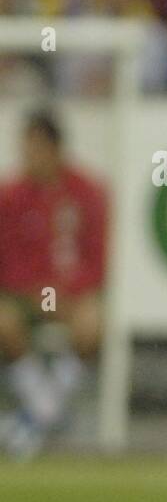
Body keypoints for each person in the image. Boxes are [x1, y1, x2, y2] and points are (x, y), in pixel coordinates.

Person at [0, 112, 107, 458]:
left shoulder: (87, 192)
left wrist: (67, 289)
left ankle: (35, 416)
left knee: (92, 325)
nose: (30, 157)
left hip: (71, 295)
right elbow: (7, 256)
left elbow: (97, 257)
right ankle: (48, 409)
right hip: (24, 295)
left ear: (56, 149)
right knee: (4, 322)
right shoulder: (10, 196)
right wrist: (34, 290)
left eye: (37, 148)